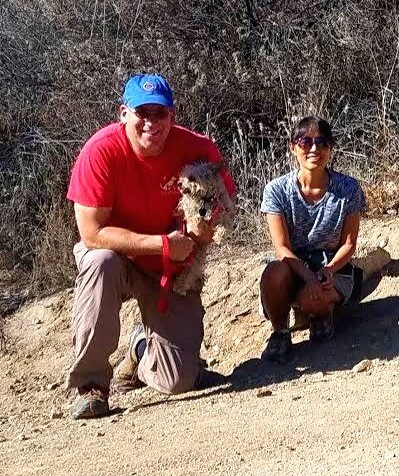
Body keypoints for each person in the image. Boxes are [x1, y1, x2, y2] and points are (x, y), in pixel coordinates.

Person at [65, 74, 236, 419]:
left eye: (160, 113)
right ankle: (92, 385)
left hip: (171, 267)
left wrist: (204, 228)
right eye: (142, 112)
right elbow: (92, 233)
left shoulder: (197, 148)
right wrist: (161, 245)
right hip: (120, 255)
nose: (151, 123)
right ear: (123, 113)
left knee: (180, 380)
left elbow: (223, 205)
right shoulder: (101, 151)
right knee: (99, 262)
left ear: (172, 115)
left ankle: (141, 349)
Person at [258, 117, 370, 363]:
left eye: (321, 142)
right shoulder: (276, 190)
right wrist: (308, 276)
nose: (313, 149)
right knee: (273, 273)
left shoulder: (348, 188)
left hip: (332, 266)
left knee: (313, 296)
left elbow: (349, 244)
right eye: (305, 141)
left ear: (330, 147)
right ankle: (280, 333)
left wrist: (327, 272)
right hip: (293, 266)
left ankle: (321, 316)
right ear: (292, 147)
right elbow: (282, 247)